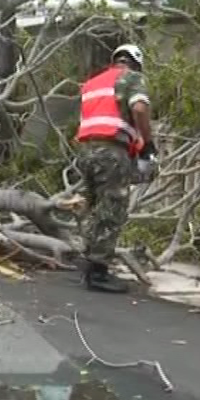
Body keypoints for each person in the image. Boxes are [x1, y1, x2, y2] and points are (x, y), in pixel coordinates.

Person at [75, 43, 156, 294]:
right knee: (111, 211)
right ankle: (98, 273)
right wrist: (148, 145)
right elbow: (140, 108)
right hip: (111, 152)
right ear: (136, 63)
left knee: (94, 208)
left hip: (87, 151)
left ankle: (88, 262)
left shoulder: (93, 83)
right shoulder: (131, 77)